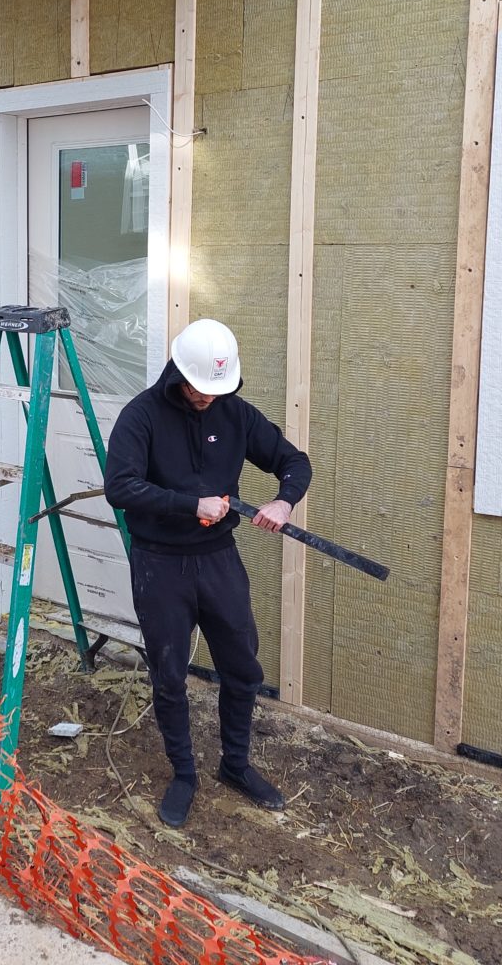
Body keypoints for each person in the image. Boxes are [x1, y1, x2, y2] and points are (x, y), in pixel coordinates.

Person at [104, 318, 312, 829]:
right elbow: (120, 487)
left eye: (217, 390)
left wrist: (284, 502)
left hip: (219, 559)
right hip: (159, 563)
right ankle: (184, 774)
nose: (206, 398)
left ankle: (235, 765)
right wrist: (187, 503)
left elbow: (294, 460)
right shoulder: (141, 417)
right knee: (169, 674)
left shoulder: (235, 413)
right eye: (200, 388)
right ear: (177, 371)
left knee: (242, 667)